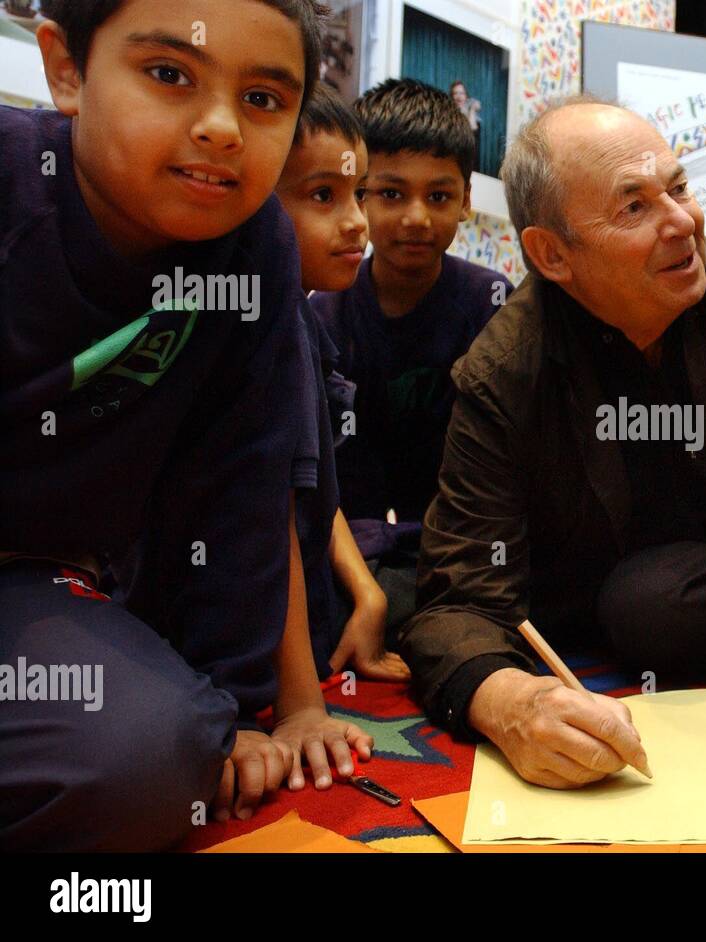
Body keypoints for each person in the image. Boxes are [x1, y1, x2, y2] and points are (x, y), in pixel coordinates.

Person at [399, 96, 706, 790]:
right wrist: (508, 701)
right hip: (666, 600)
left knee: (652, 605)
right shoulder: (504, 372)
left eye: (679, 187)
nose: (683, 222)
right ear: (552, 254)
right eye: (633, 208)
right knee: (645, 607)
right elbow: (456, 593)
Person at [0, 0, 370, 851]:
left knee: (152, 758)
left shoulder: (257, 252)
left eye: (264, 100)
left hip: (38, 590)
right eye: (169, 76)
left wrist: (240, 704)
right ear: (67, 70)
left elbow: (243, 477)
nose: (220, 129)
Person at [310, 78, 509, 639]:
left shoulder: (492, 307)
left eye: (439, 196)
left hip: (457, 547)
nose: (416, 218)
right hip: (353, 547)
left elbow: (509, 473)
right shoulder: (324, 313)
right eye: (391, 194)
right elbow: (313, 483)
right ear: (360, 195)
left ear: (467, 200)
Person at [274, 83, 409, 684]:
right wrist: (300, 701)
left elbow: (310, 487)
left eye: (358, 194)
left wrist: (367, 594)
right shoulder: (259, 330)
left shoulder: (299, 317)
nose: (359, 223)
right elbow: (268, 511)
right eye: (323, 196)